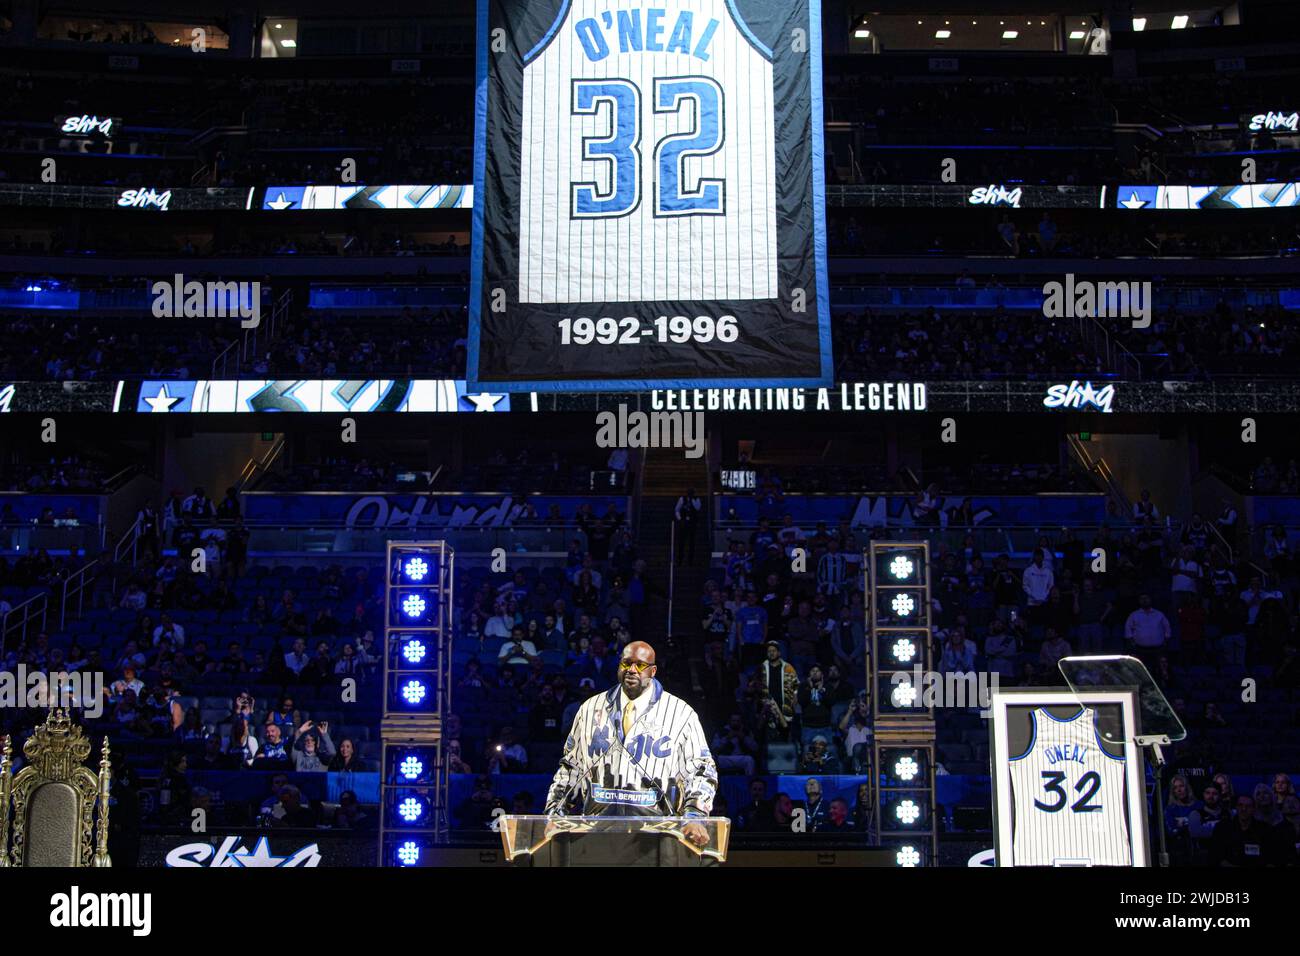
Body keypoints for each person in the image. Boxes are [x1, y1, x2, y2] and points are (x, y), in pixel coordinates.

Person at [545, 641, 716, 846]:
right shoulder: (590, 709)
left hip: (659, 835)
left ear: (652, 671)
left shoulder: (681, 713)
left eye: (640, 665)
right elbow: (571, 767)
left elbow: (702, 770)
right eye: (626, 663)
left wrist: (694, 816)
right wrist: (555, 814)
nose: (632, 670)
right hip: (597, 832)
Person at [674, 489, 703, 567]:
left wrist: (693, 500)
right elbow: (677, 509)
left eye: (692, 493)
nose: (690, 495)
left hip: (692, 523)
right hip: (684, 523)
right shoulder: (682, 499)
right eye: (689, 493)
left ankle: (690, 561)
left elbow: (698, 508)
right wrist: (679, 519)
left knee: (692, 543)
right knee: (681, 542)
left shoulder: (697, 499)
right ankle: (680, 560)